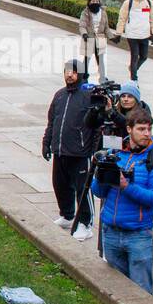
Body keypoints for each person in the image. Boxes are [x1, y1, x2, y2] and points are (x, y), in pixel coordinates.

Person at [90, 107, 153, 293]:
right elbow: (98, 192)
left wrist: (126, 186)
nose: (146, 134)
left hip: (138, 235)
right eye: (141, 129)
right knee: (115, 291)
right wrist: (102, 174)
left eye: (148, 129)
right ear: (129, 129)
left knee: (140, 291)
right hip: (110, 231)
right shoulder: (115, 153)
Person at [42, 58, 103, 241]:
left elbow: (97, 126)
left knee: (82, 189)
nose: (69, 75)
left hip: (80, 152)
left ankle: (85, 223)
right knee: (60, 184)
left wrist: (91, 150)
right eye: (67, 71)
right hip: (61, 150)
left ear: (81, 74)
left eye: (74, 71)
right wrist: (47, 142)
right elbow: (52, 121)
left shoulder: (88, 95)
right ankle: (67, 215)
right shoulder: (59, 95)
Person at [113, 0, 153, 83]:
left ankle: (133, 69)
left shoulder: (149, 3)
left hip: (144, 35)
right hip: (132, 35)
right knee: (134, 56)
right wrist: (118, 33)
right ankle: (134, 80)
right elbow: (122, 18)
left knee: (144, 56)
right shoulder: (128, 3)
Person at [78, 0, 111, 84]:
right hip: (89, 38)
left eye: (97, 1)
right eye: (93, 1)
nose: (95, 3)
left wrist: (112, 37)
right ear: (89, 2)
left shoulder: (103, 12)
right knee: (86, 59)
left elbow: (106, 27)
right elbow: (82, 25)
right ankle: (84, 77)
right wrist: (84, 34)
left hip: (100, 38)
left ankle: (103, 78)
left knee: (101, 60)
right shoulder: (85, 12)